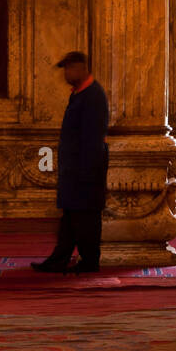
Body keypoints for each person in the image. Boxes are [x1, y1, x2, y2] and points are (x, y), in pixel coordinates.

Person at [32, 52, 109, 274]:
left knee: (86, 217)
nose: (66, 73)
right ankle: (58, 260)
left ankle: (89, 262)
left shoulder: (93, 95)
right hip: (75, 169)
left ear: (82, 68)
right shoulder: (79, 94)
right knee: (70, 217)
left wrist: (86, 172)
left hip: (85, 169)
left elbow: (93, 138)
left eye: (70, 68)